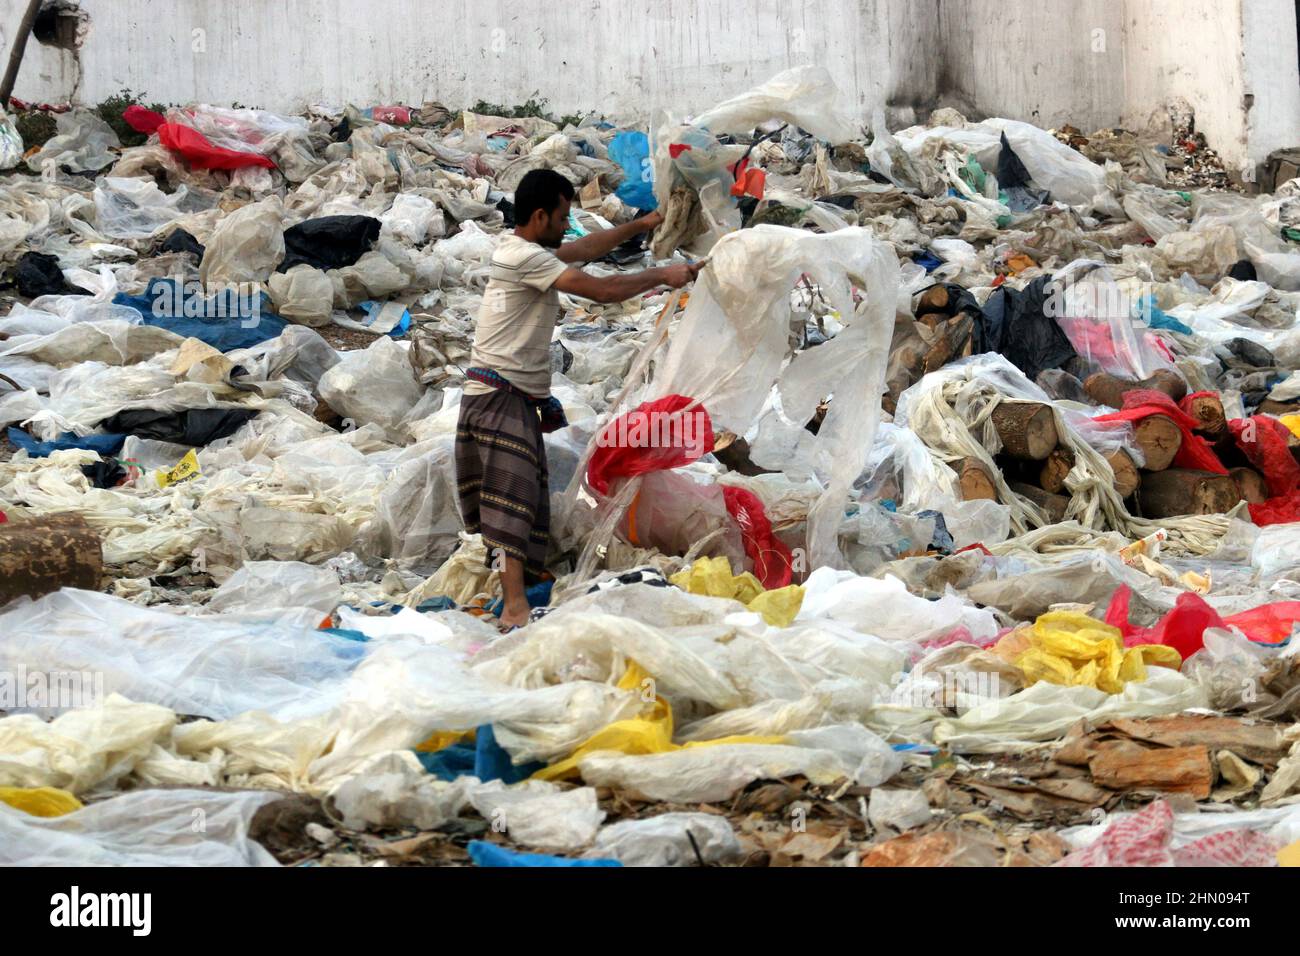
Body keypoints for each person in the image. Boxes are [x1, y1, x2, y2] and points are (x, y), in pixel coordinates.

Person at [456, 168, 700, 629]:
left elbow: (583, 251)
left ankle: (521, 588)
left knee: (526, 496)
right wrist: (662, 276)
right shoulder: (521, 257)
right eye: (563, 217)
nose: (568, 227)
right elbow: (603, 291)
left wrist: (644, 225)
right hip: (496, 395)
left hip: (511, 395)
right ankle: (513, 608)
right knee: (513, 498)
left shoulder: (529, 253)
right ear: (540, 215)